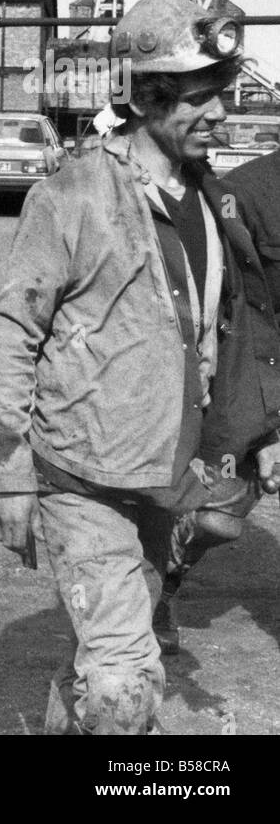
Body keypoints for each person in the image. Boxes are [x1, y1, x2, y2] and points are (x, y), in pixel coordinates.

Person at [0, 0, 280, 734]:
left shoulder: (215, 201)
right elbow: (15, 330)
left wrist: (256, 433)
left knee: (108, 658)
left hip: (167, 475)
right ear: (149, 96)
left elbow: (238, 329)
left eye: (224, 94)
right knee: (125, 687)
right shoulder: (73, 194)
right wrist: (7, 469)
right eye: (200, 98)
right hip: (82, 479)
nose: (220, 114)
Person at [149, 142, 280, 654]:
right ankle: (164, 576)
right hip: (255, 368)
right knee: (216, 519)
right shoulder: (243, 195)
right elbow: (228, 312)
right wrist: (271, 428)